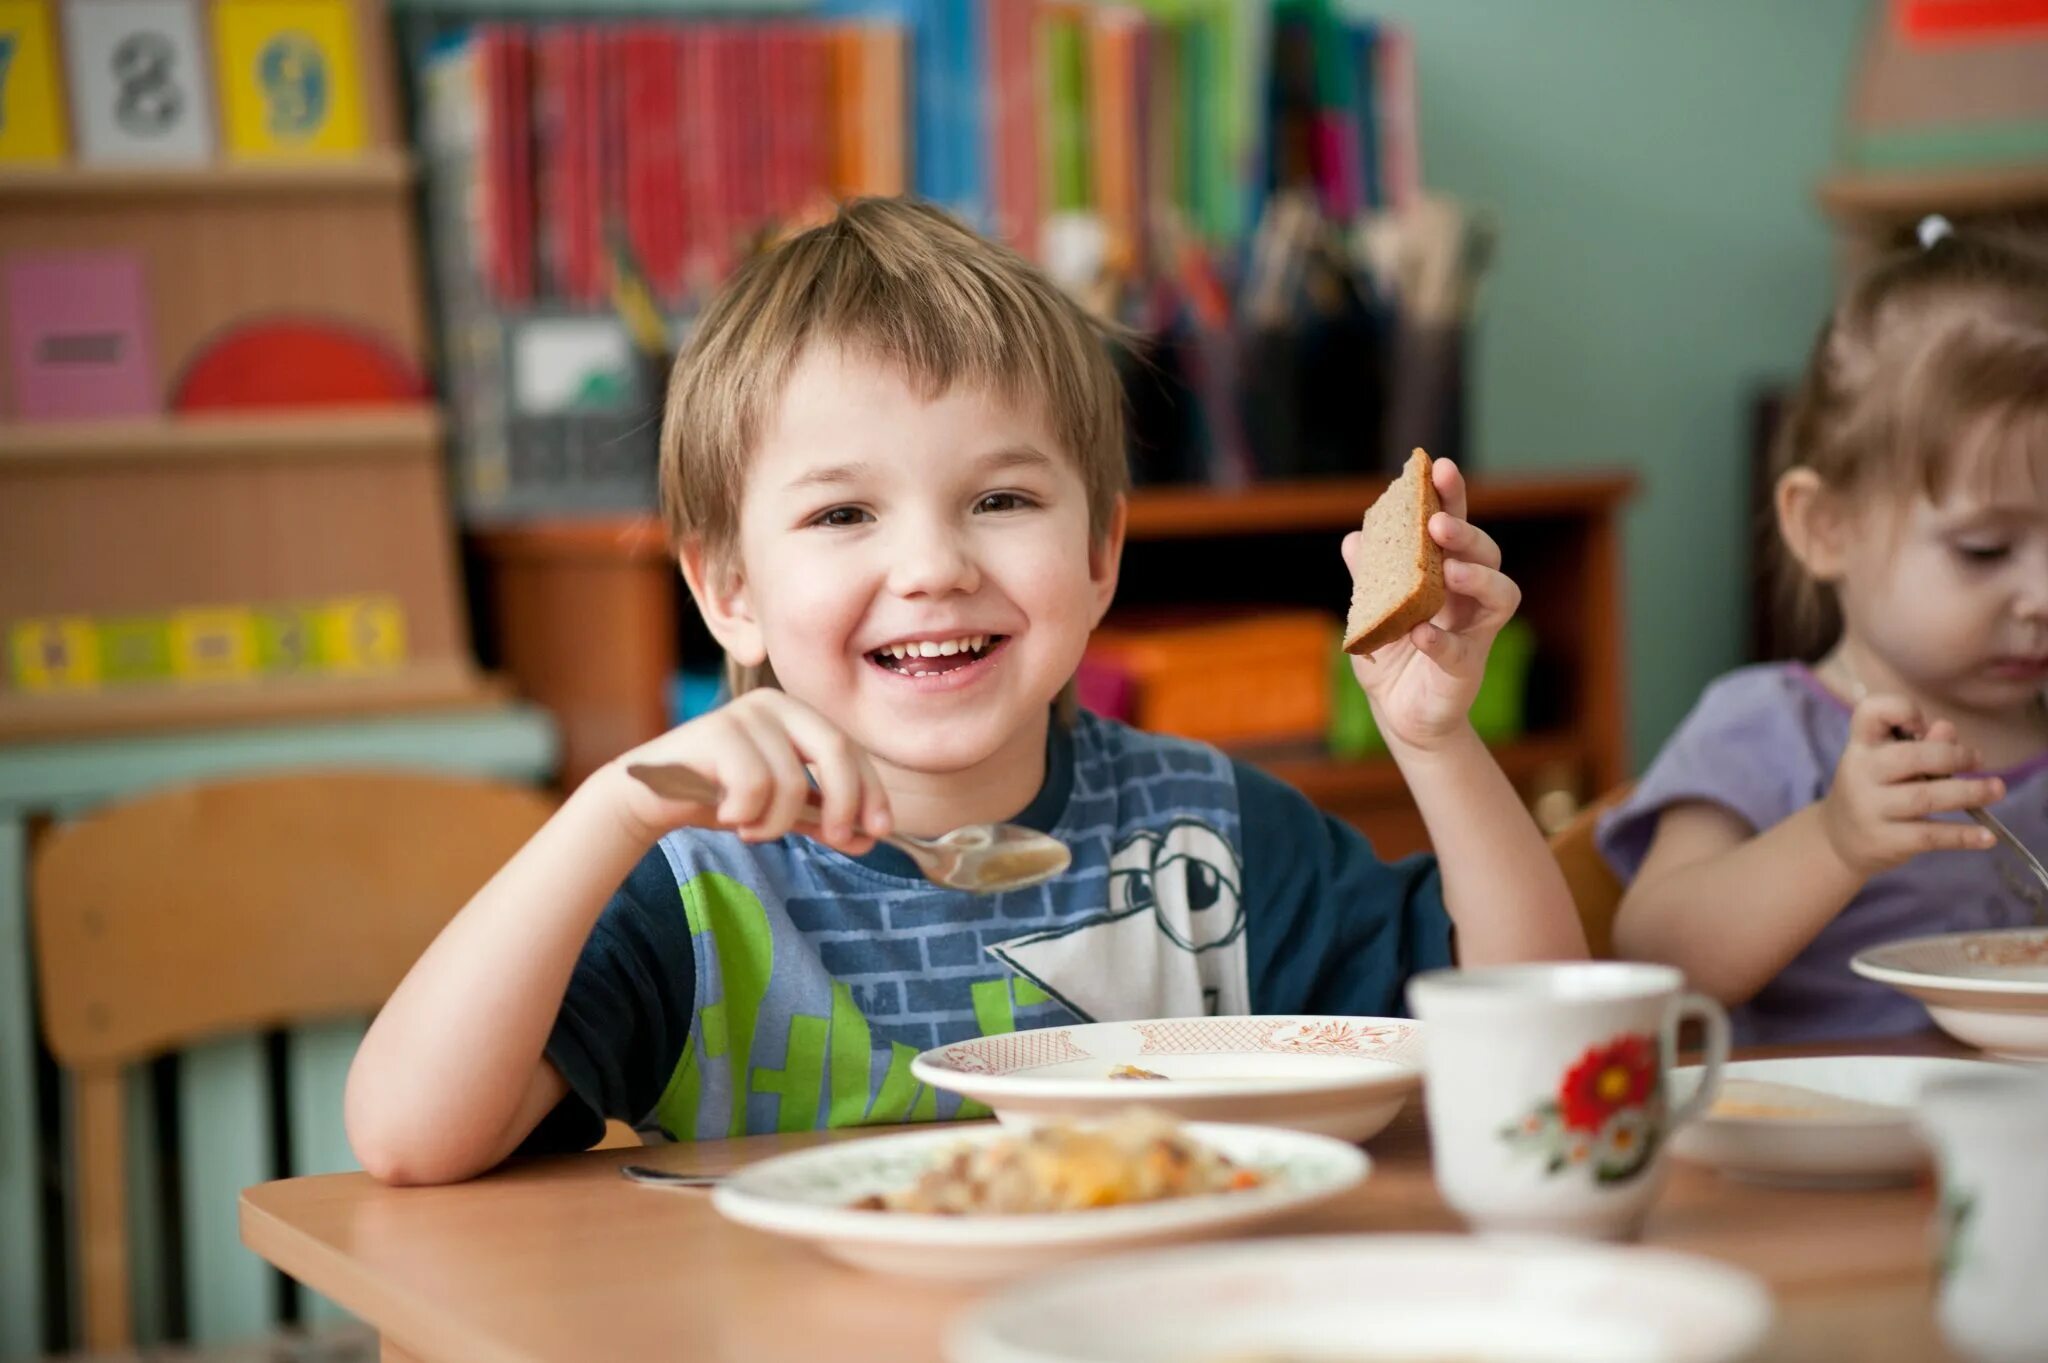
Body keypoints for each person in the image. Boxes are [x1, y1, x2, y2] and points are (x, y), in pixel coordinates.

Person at [346, 198, 1584, 1184]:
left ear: (1099, 554)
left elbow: (1530, 1039)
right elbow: (405, 1136)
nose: (933, 568)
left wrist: (1433, 744)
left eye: (999, 500)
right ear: (728, 589)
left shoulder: (1211, 837)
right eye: (842, 513)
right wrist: (612, 809)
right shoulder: (695, 885)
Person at [1602, 220, 2048, 1044]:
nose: (2042, 595)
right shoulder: (1765, 729)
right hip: (1826, 1151)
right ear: (1825, 527)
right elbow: (1652, 954)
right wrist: (1835, 841)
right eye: (1985, 549)